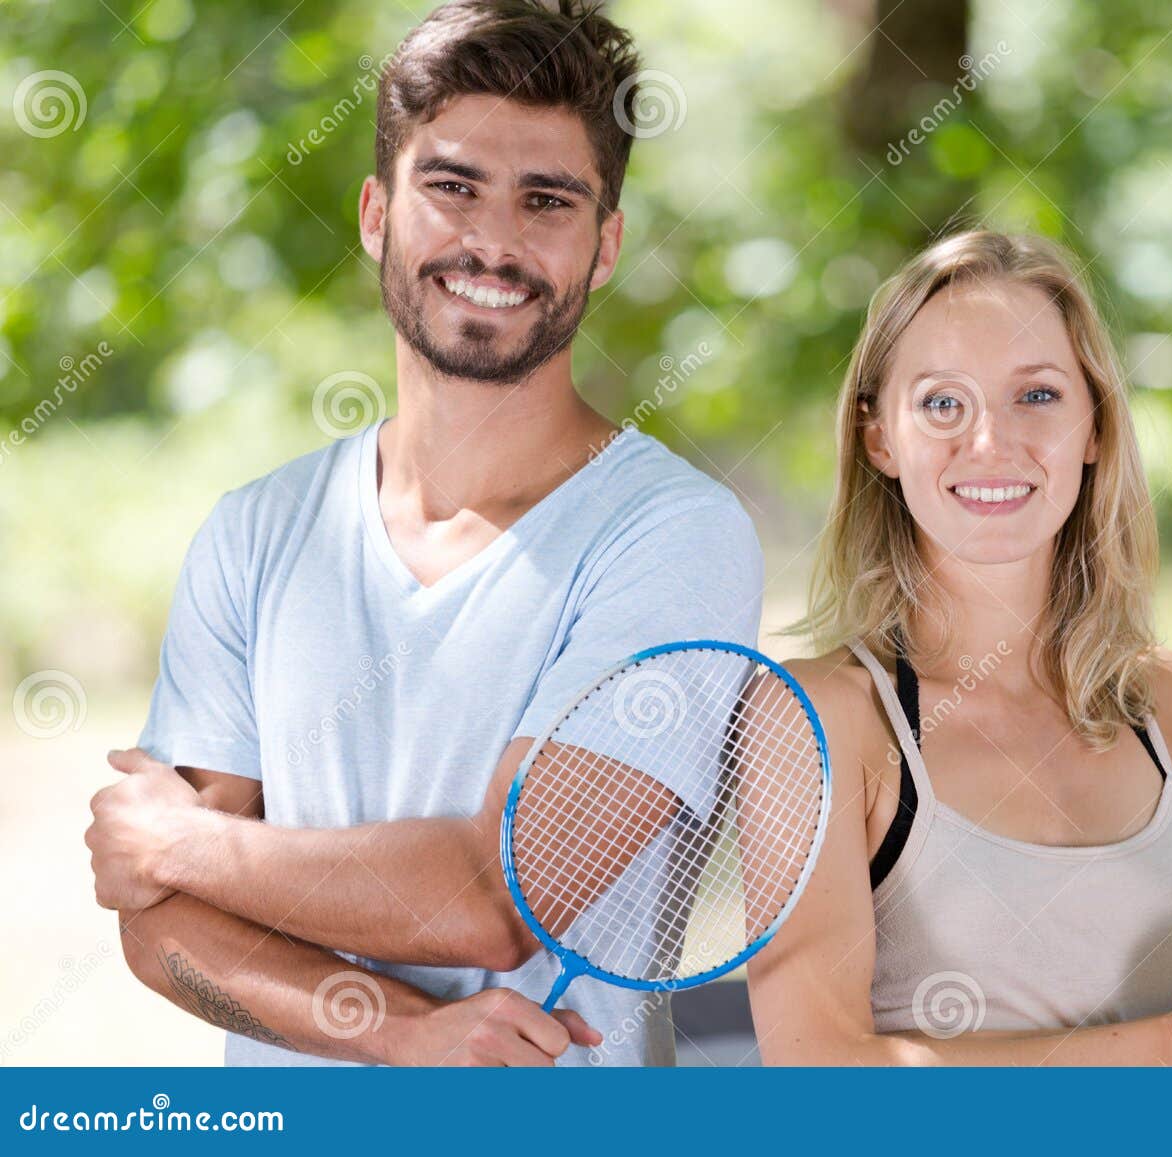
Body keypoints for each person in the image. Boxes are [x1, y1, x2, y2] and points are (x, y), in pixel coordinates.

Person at [84, 0, 762, 1067]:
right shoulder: (255, 532)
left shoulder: (673, 536)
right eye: (451, 187)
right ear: (375, 213)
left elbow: (497, 894)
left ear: (606, 246)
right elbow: (160, 922)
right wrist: (405, 1031)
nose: (494, 240)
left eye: (547, 200)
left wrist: (185, 839)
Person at [747, 230, 1172, 1065]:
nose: (990, 441)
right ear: (880, 439)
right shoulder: (817, 721)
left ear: (1095, 427)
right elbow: (818, 1073)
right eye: (942, 403)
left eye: (1037, 395)